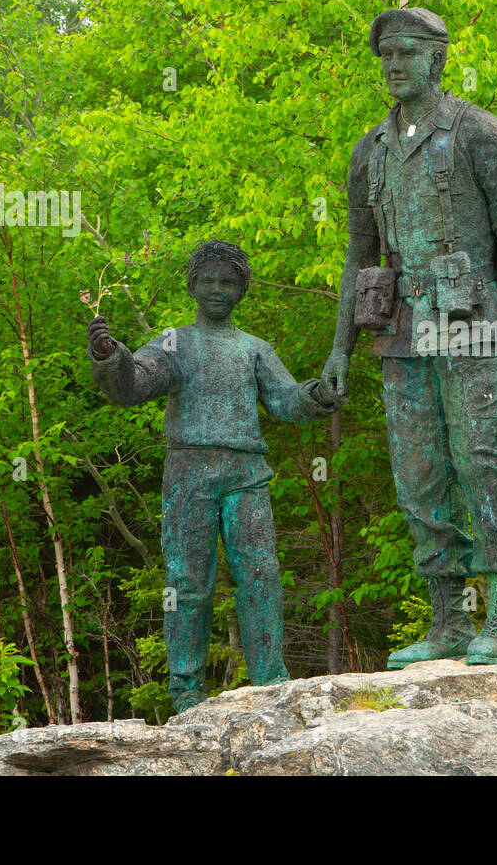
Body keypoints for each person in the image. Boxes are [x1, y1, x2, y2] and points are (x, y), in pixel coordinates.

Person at [320, 8, 497, 668]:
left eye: (406, 52)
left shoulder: (482, 133)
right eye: (385, 55)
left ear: (437, 58)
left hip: (475, 321)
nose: (394, 64)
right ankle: (449, 618)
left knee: (483, 463)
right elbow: (358, 256)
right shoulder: (370, 151)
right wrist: (339, 349)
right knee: (418, 475)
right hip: (401, 331)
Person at [87, 240, 338, 713]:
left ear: (242, 289)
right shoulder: (174, 341)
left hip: (246, 473)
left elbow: (286, 400)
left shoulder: (254, 349)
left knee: (260, 573)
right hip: (188, 473)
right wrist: (110, 355)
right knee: (187, 582)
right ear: (192, 286)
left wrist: (320, 394)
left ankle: (269, 681)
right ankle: (186, 692)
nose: (217, 290)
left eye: (227, 282)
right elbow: (134, 385)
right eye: (208, 281)